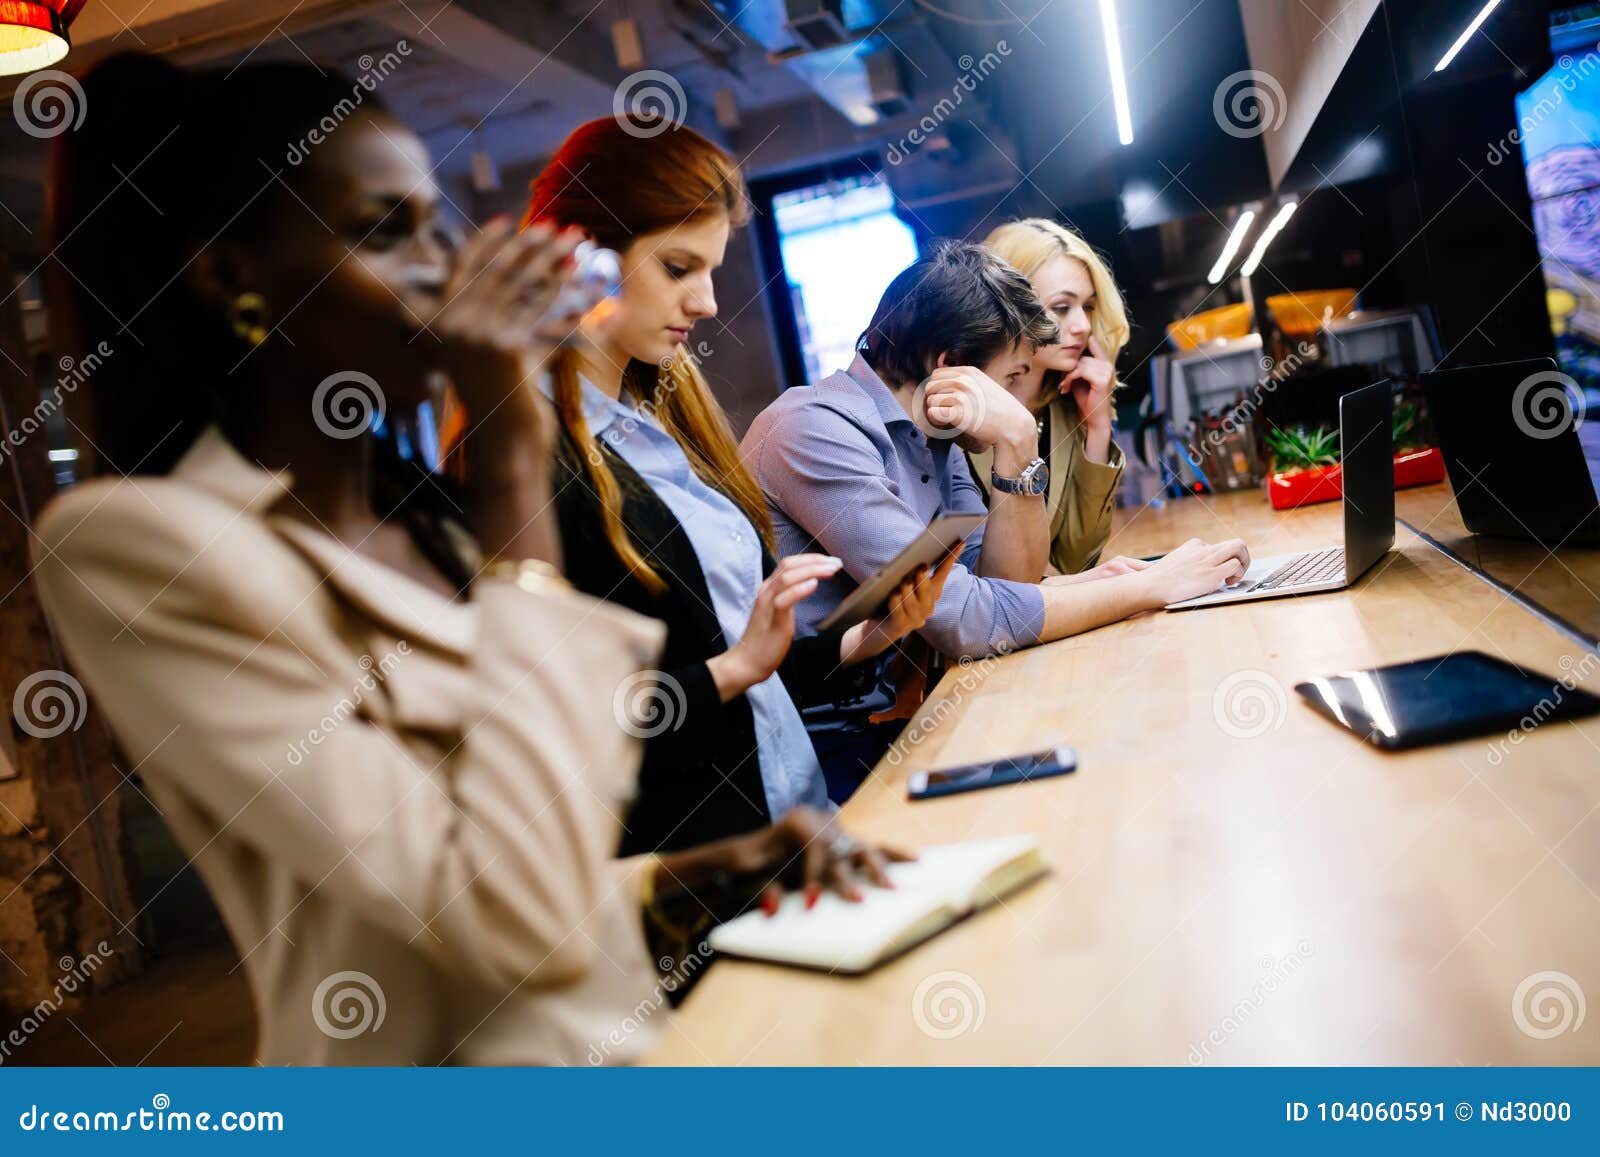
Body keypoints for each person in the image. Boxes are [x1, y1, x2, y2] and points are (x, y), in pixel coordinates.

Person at [33, 54, 904, 1067]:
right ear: (233, 277)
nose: (440, 267)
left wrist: (733, 866)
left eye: (436, 225)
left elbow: (552, 848)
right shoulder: (138, 549)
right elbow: (496, 911)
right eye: (382, 230)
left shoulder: (428, 522)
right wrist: (510, 462)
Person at [521, 116, 958, 855]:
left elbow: (765, 667)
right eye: (678, 268)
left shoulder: (662, 419)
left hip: (797, 825)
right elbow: (567, 725)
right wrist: (733, 668)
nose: (708, 301)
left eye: (711, 270)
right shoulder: (534, 458)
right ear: (587, 258)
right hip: (699, 869)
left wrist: (886, 628)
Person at [741, 242, 1252, 798]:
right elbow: (969, 622)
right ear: (949, 367)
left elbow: (1006, 586)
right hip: (816, 751)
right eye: (1011, 379)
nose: (1018, 399)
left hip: (895, 720)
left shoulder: (939, 436)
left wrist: (1014, 453)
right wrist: (1151, 586)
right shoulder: (813, 431)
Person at [980, 218, 1132, 576]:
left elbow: (1076, 560)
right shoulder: (961, 415)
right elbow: (992, 583)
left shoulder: (1061, 408)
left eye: (1089, 307)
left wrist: (1097, 428)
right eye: (1062, 308)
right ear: (1007, 307)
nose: (1081, 324)